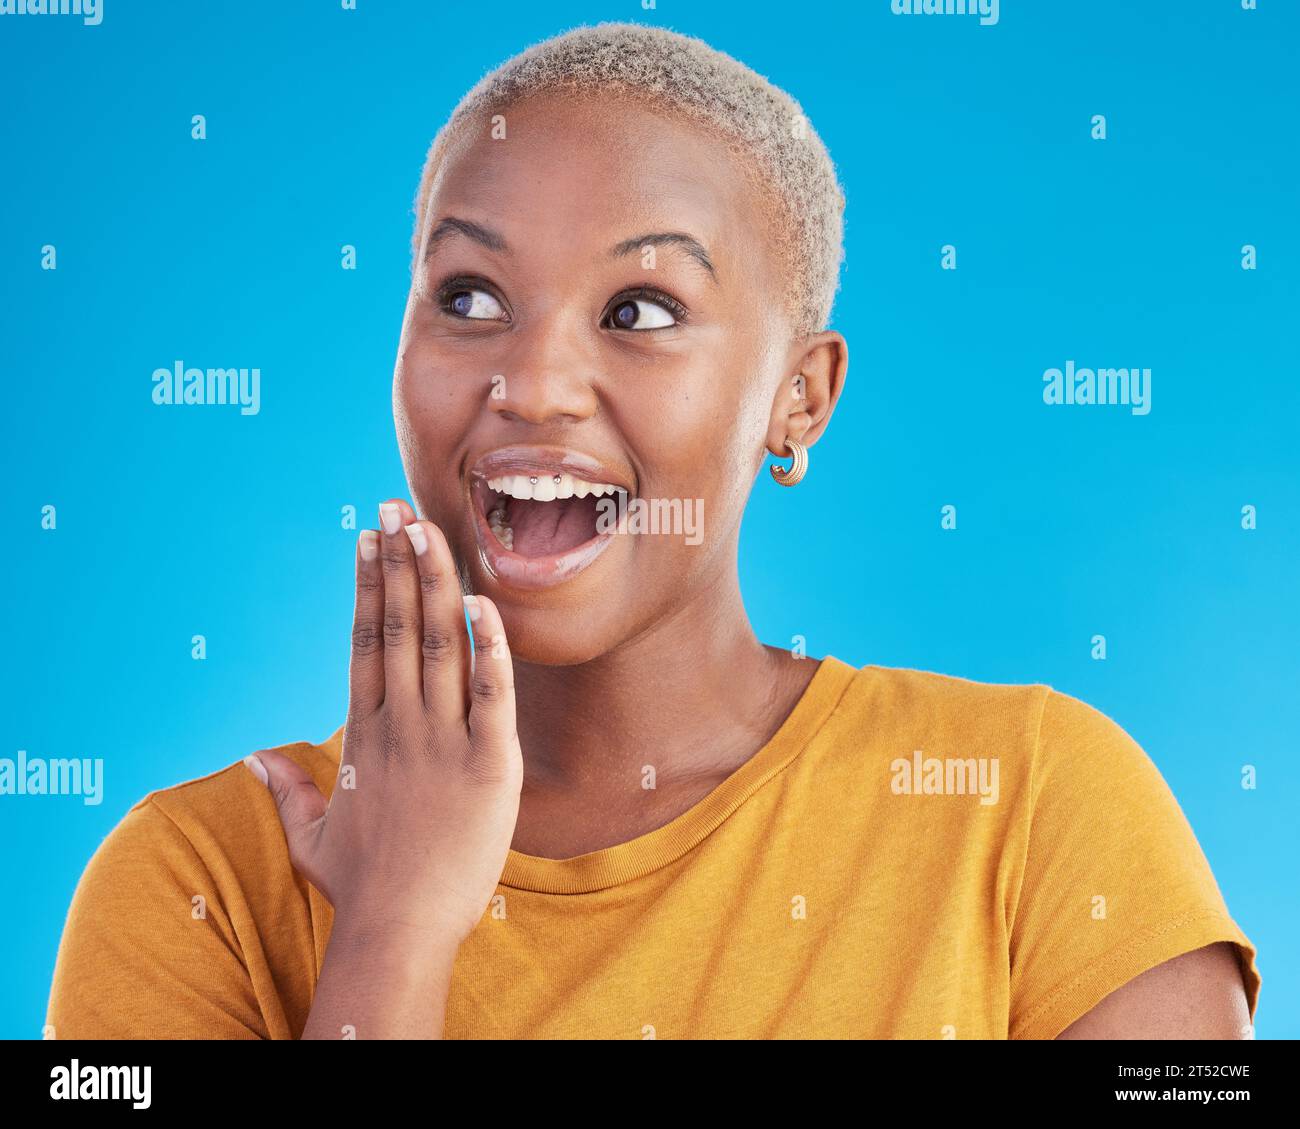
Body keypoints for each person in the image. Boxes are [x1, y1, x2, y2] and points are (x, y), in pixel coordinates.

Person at [46, 21, 1260, 1040]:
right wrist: (391, 931)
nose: (533, 382)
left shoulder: (1036, 802)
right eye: (468, 297)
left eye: (640, 308)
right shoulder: (197, 879)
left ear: (801, 397)